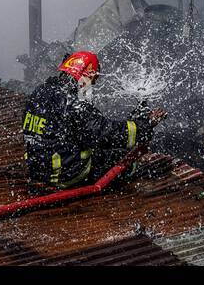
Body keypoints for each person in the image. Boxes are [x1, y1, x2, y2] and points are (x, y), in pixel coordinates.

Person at [21, 51, 165, 188]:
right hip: (65, 176)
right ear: (83, 76)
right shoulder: (73, 105)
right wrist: (145, 125)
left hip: (37, 170)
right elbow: (105, 133)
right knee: (122, 159)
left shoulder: (40, 92)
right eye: (93, 79)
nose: (93, 85)